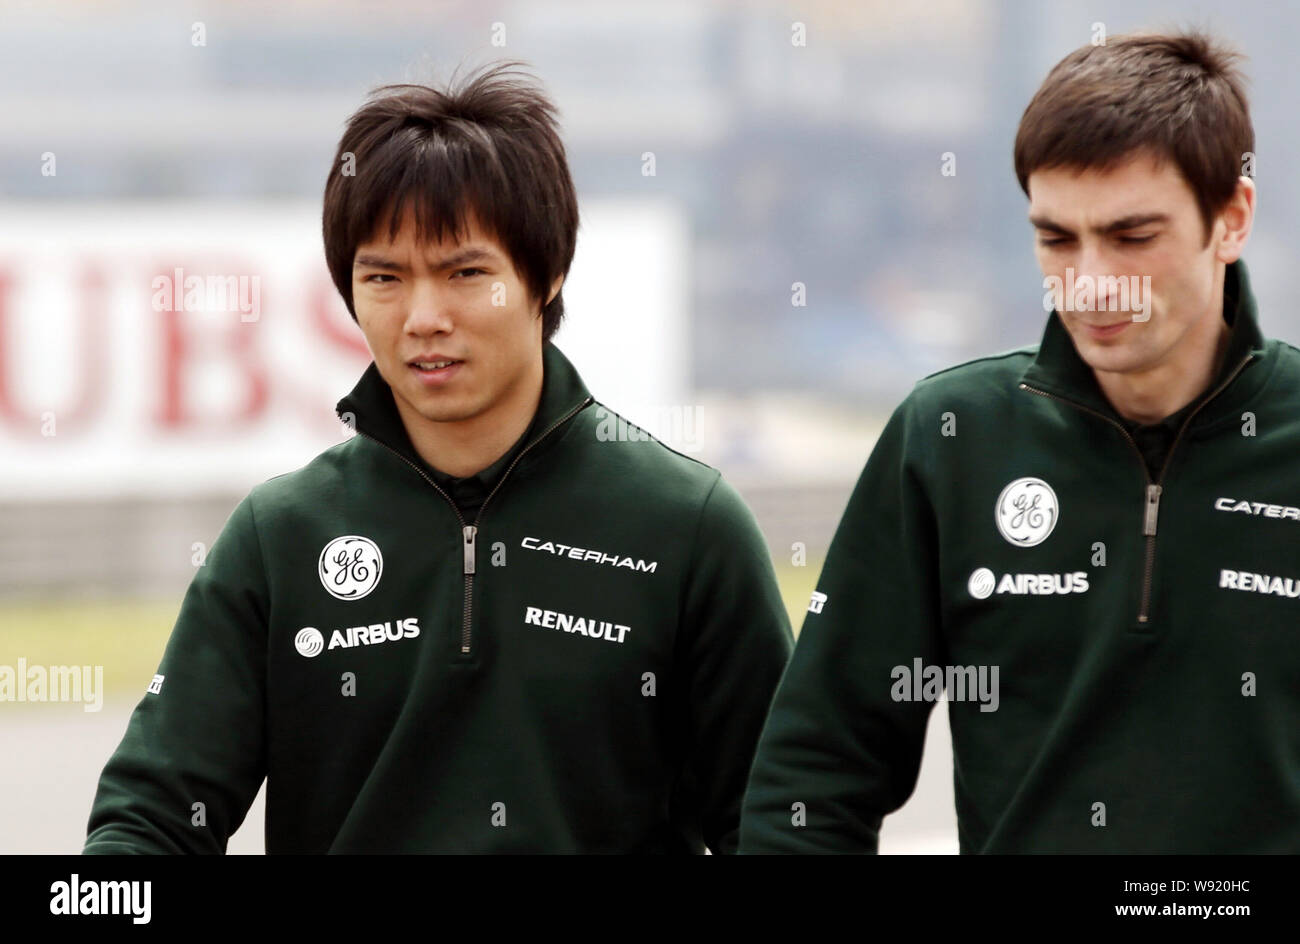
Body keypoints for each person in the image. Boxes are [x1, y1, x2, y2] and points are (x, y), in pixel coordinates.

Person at [83, 61, 792, 854]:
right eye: (384, 276)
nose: (423, 317)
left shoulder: (687, 528)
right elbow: (149, 821)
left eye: (465, 273)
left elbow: (776, 824)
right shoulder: (280, 537)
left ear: (546, 273)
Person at [739, 30, 1299, 853]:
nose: (1089, 281)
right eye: (1056, 239)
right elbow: (811, 777)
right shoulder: (950, 439)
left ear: (1232, 219)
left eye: (1131, 237)